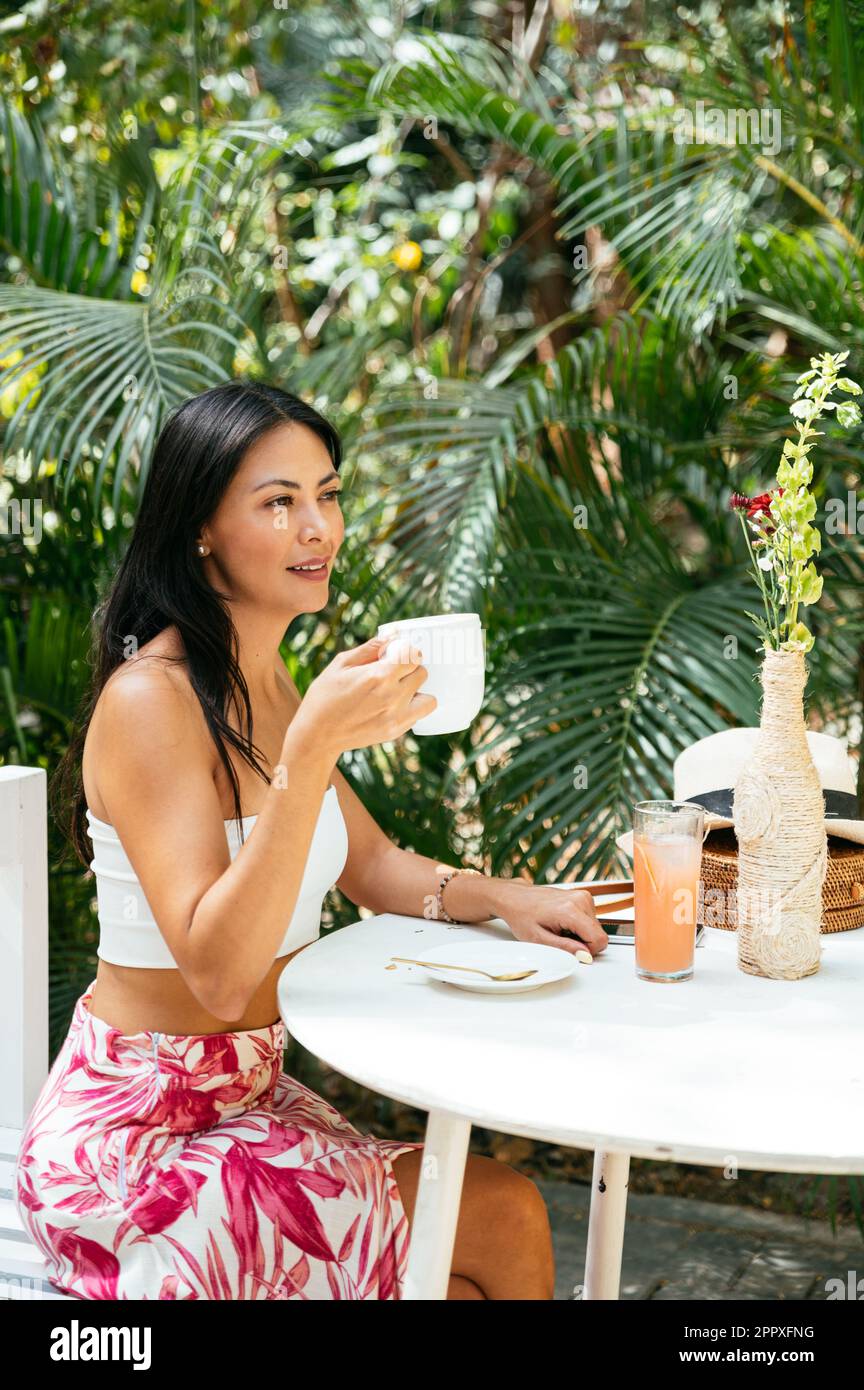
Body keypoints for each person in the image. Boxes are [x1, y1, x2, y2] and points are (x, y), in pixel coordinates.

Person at [15, 380, 607, 1300]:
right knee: (502, 1217)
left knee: (457, 1280)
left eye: (326, 494)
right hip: (139, 1147)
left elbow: (367, 862)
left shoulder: (272, 675)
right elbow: (218, 970)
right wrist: (310, 753)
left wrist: (503, 897)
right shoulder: (151, 701)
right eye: (278, 502)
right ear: (200, 528)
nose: (317, 528)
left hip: (247, 1102)